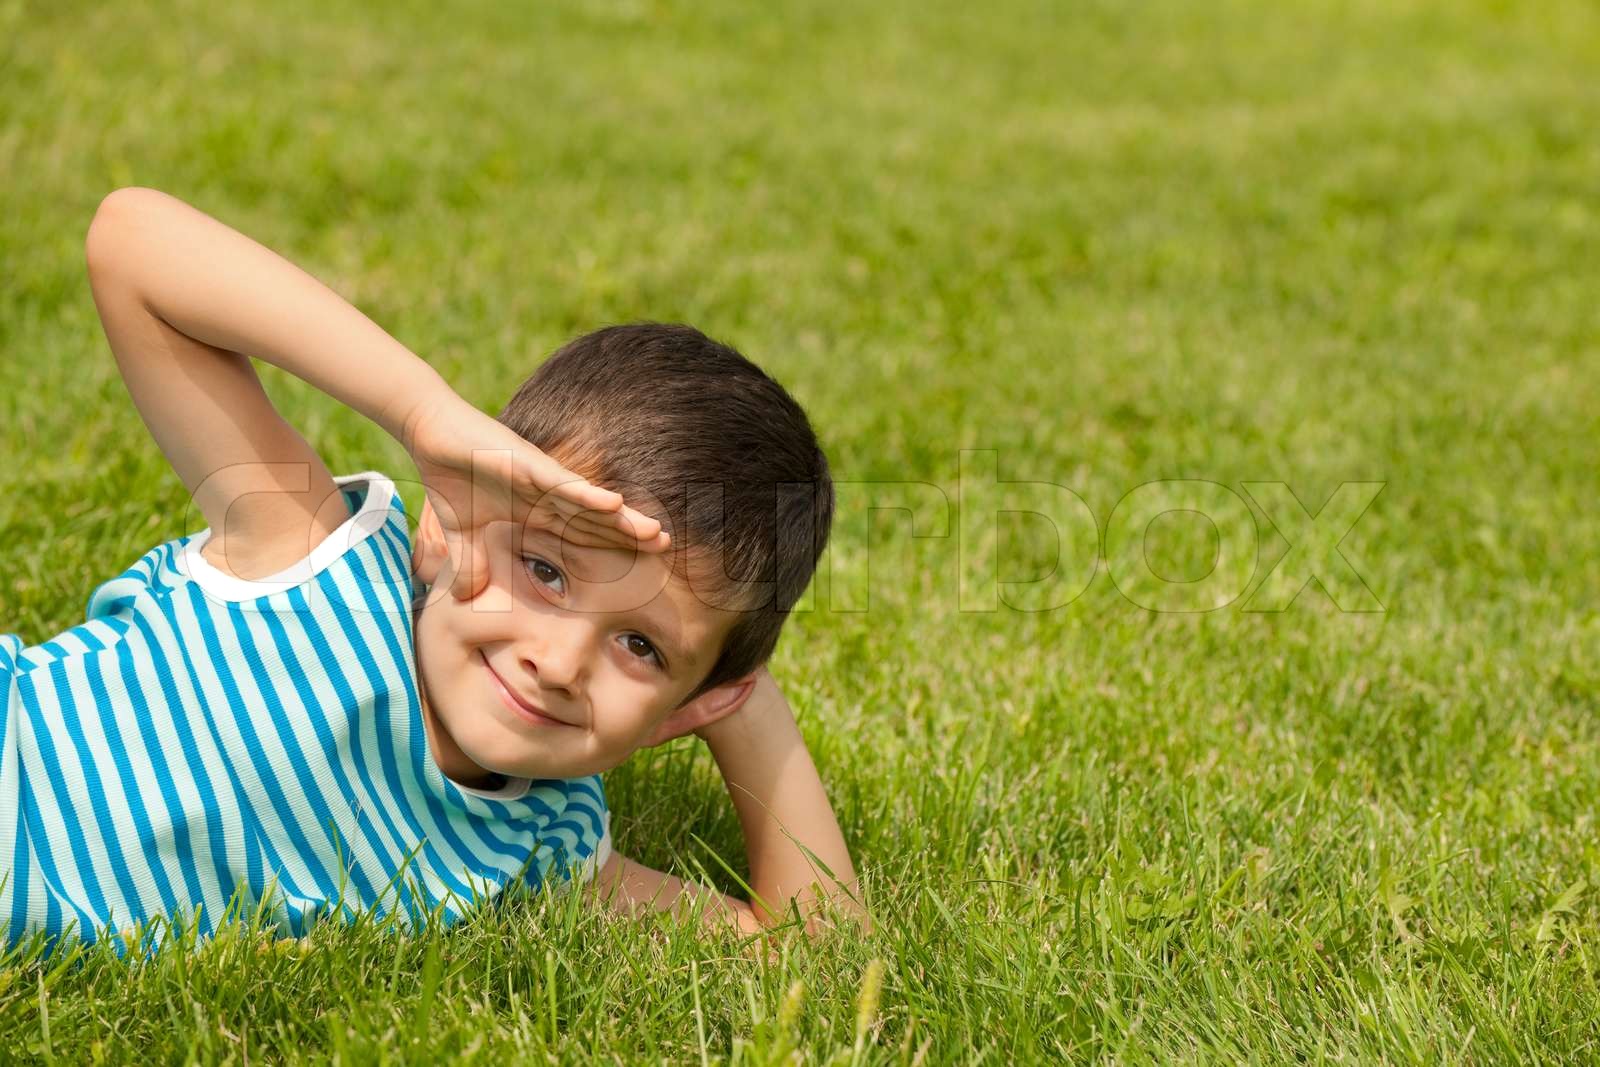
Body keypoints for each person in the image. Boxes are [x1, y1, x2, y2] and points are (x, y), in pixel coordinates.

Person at [0, 187, 862, 953]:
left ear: (684, 708)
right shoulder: (314, 560)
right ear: (445, 527)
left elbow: (814, 953)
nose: (557, 663)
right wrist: (423, 412)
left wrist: (742, 706)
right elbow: (132, 242)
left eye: (640, 645)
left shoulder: (540, 844)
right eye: (546, 570)